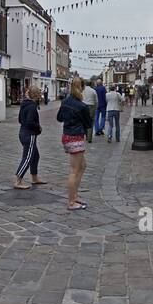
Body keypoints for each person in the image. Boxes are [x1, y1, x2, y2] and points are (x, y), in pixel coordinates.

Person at [56, 76, 93, 210]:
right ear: (82, 88)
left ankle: (75, 195)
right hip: (75, 138)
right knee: (74, 170)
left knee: (82, 166)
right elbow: (88, 124)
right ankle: (71, 202)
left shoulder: (65, 102)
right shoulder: (82, 106)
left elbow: (59, 118)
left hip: (67, 135)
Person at [12, 84, 44, 189]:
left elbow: (20, 119)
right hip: (29, 134)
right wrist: (38, 127)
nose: (41, 95)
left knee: (35, 156)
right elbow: (30, 122)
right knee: (28, 158)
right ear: (35, 95)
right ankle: (18, 180)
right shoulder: (31, 107)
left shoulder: (24, 104)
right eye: (39, 93)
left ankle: (34, 177)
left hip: (23, 132)